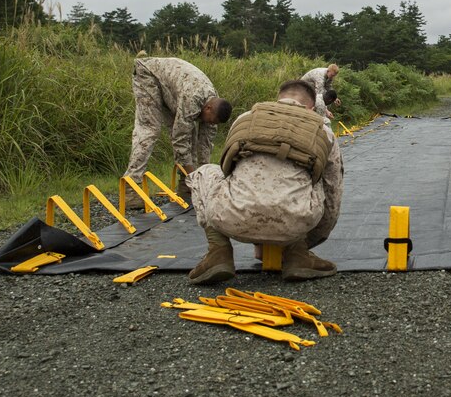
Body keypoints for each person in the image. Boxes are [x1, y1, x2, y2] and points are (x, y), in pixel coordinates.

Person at [186, 79, 344, 284]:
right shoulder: (324, 131)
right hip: (296, 223)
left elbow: (228, 172)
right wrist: (304, 241)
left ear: (278, 99)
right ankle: (298, 256)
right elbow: (333, 197)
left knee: (205, 172)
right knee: (324, 179)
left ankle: (219, 251)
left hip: (231, 217)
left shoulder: (245, 118)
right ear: (311, 108)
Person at [122, 57, 232, 190]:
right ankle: (131, 184)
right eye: (210, 120)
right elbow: (179, 139)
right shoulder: (192, 99)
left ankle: (186, 184)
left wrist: (203, 176)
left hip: (172, 87)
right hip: (149, 74)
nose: (209, 123)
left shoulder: (214, 107)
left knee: (190, 134)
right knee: (150, 129)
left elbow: (205, 144)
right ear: (208, 108)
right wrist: (194, 177)